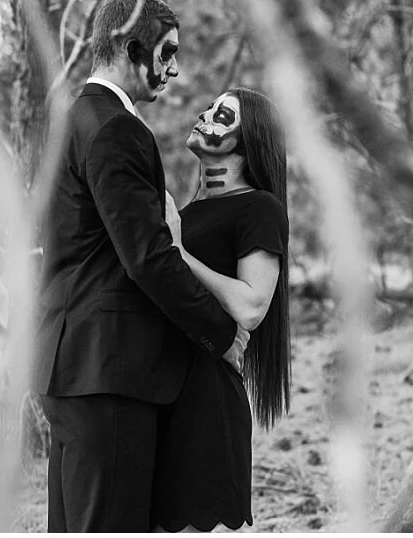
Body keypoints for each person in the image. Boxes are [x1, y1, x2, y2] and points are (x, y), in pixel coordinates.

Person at [32, 0, 249, 532]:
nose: (174, 70)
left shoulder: (71, 120)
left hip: (71, 361)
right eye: (166, 54)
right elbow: (147, 257)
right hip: (109, 370)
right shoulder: (115, 129)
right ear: (132, 49)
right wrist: (222, 334)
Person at [155, 88, 291, 531]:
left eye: (221, 113)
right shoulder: (192, 210)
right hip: (160, 390)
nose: (204, 111)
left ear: (246, 137)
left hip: (207, 400)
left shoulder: (260, 208)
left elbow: (252, 306)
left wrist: (177, 251)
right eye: (209, 105)